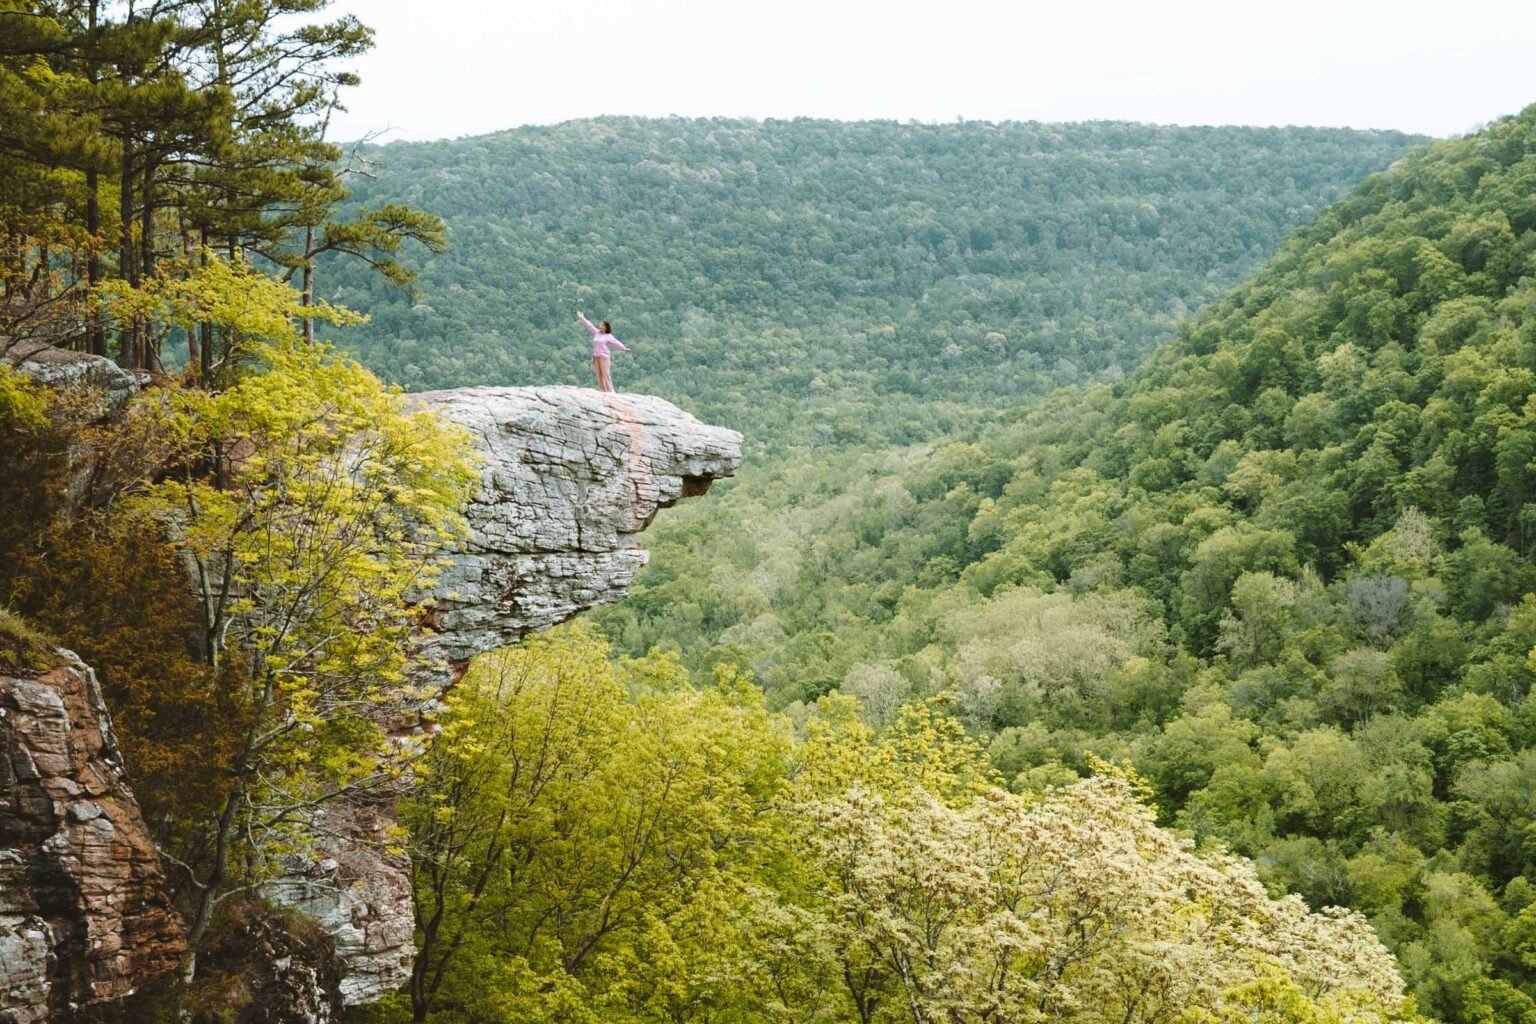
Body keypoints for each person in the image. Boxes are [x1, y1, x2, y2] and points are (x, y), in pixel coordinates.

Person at [577, 310, 629, 392]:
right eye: (600, 325)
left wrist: (623, 348)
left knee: (606, 374)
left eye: (602, 325)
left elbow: (616, 343)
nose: (600, 326)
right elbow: (590, 326)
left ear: (606, 328)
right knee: (599, 374)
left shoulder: (608, 336)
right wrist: (582, 318)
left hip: (604, 357)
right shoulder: (597, 333)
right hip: (596, 356)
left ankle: (611, 390)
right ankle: (602, 390)